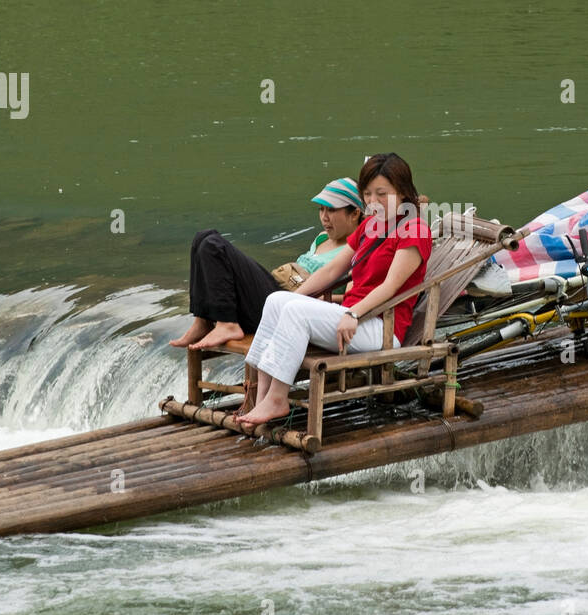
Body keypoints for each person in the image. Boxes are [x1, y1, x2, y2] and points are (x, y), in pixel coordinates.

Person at [236, 153, 433, 427]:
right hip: (350, 315)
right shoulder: (370, 225)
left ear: (402, 193)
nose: (373, 202)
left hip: (380, 327)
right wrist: (293, 297)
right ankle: (261, 399)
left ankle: (278, 399)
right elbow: (331, 270)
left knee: (294, 312)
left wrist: (353, 314)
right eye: (367, 195)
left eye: (382, 194)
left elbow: (391, 287)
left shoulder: (415, 230)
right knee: (277, 300)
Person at [168, 178, 363, 350]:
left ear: (354, 214)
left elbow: (351, 298)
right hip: (277, 291)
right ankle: (202, 320)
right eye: (321, 209)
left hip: (289, 309)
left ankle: (228, 324)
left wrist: (323, 299)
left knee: (213, 246)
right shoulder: (322, 238)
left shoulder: (357, 249)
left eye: (331, 210)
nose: (324, 217)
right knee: (203, 237)